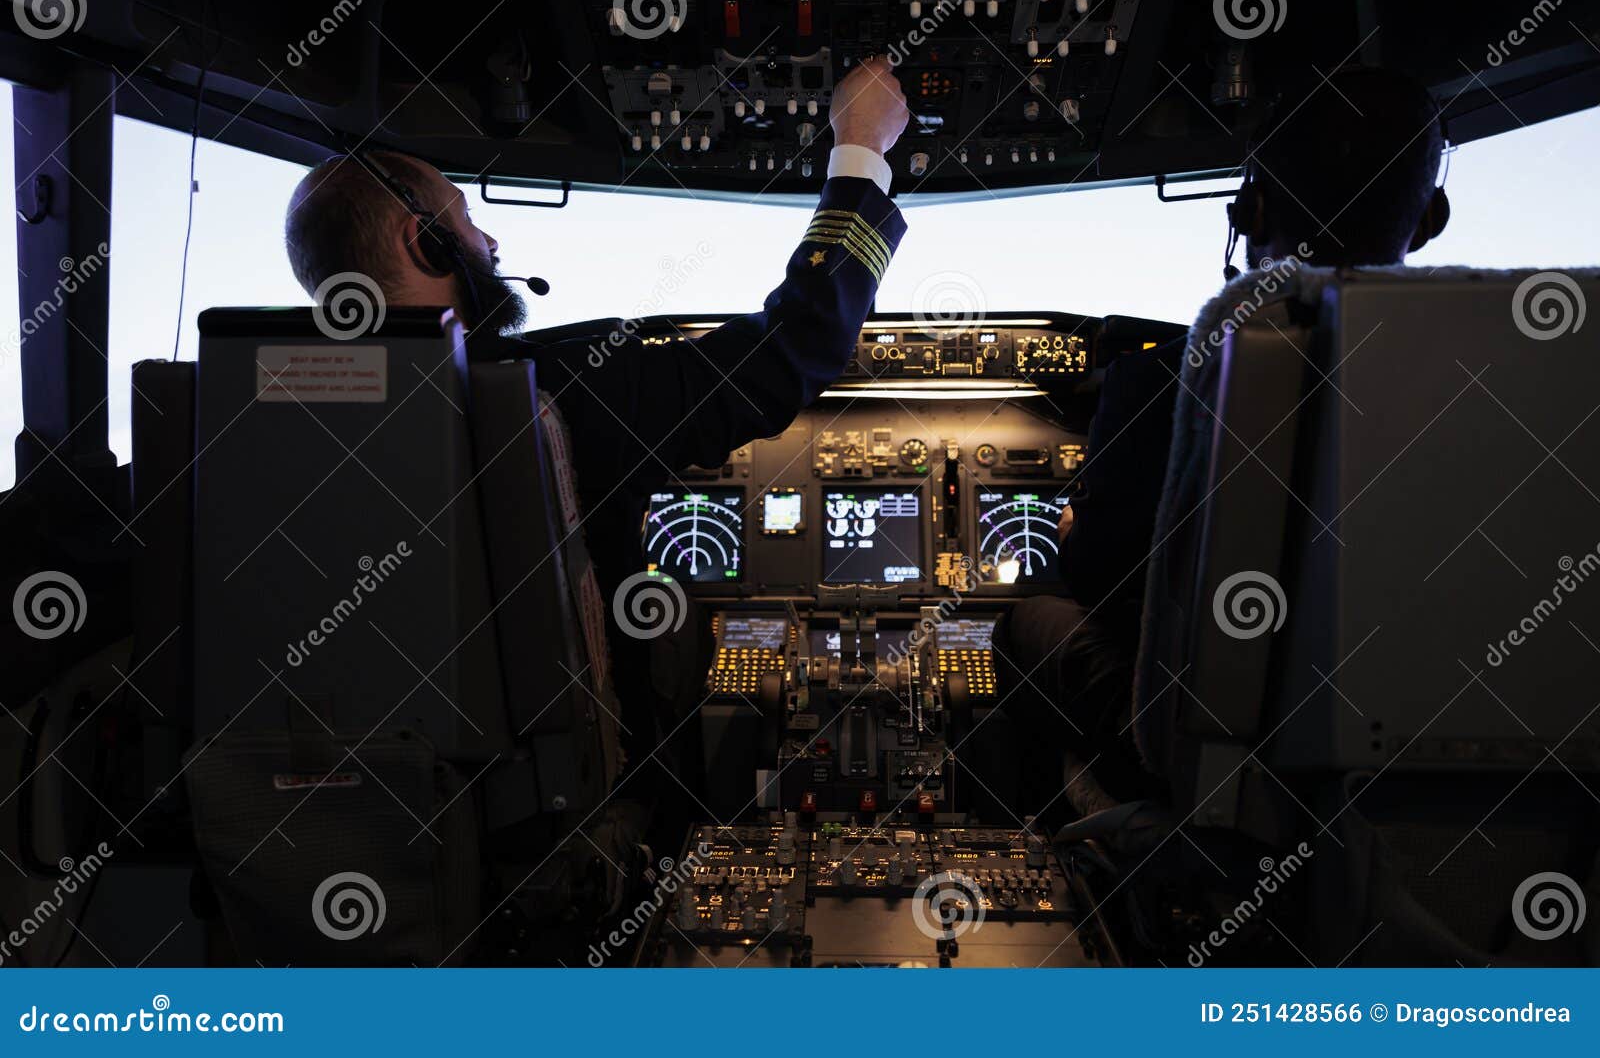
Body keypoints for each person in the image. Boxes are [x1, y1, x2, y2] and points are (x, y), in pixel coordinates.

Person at [282, 57, 910, 785]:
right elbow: (790, 350)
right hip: (561, 822)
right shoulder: (549, 395)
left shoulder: (260, 440)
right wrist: (859, 148)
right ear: (424, 242)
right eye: (467, 219)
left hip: (368, 809)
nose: (490, 244)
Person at [993, 68, 1452, 800]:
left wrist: (1078, 528)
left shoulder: (1178, 382)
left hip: (1215, 755)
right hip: (1423, 738)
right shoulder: (1487, 378)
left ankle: (1066, 850)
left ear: (1250, 210)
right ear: (1429, 220)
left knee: (1025, 619)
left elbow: (1102, 583)